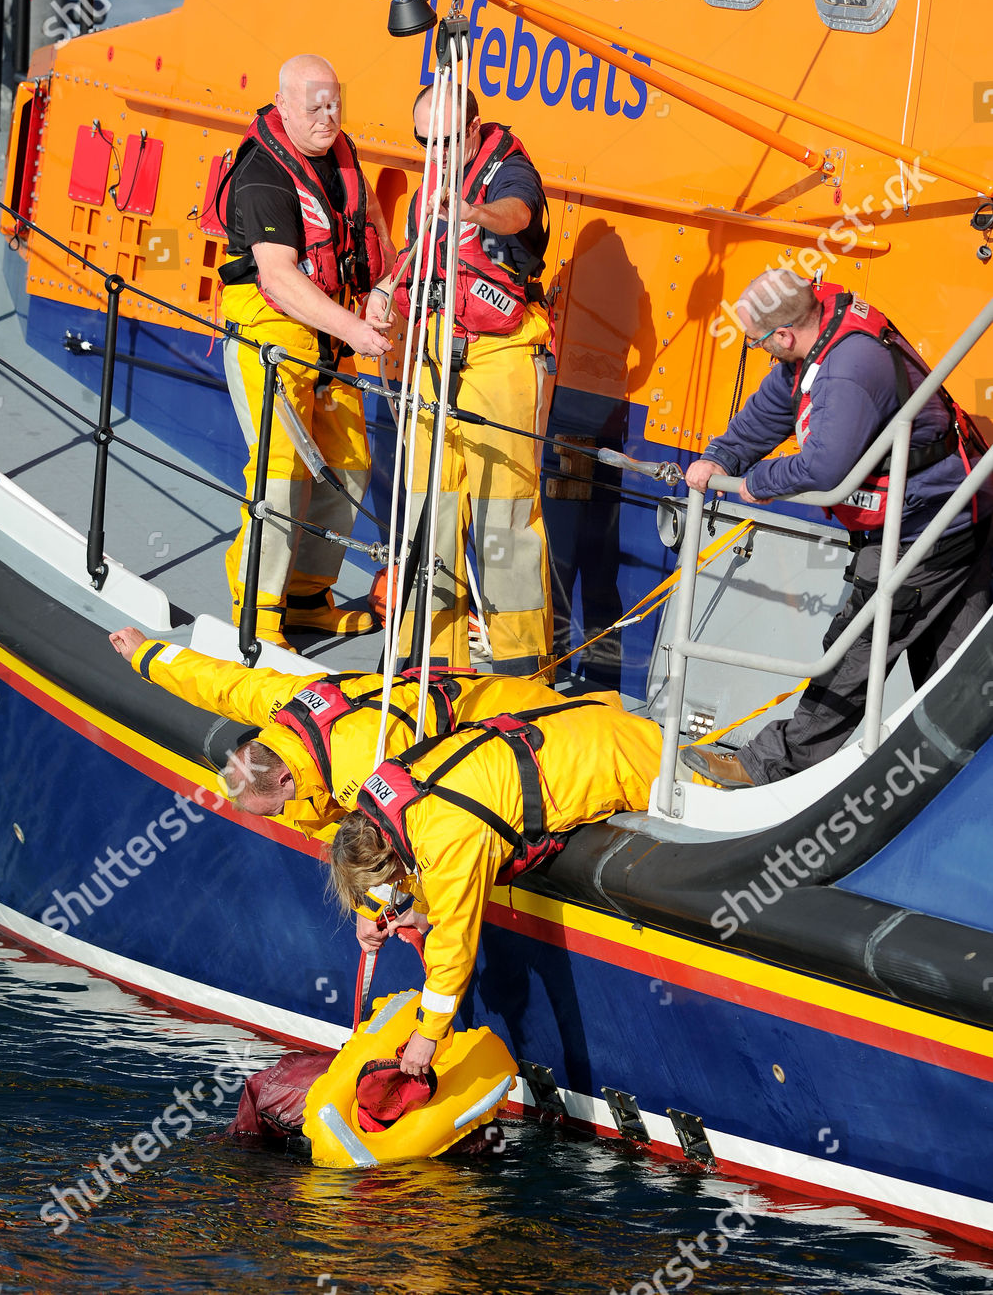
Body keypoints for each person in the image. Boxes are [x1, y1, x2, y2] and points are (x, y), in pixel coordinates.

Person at [681, 269, 992, 789]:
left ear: (783, 336)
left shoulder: (847, 368)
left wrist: (756, 481)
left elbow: (826, 466)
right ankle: (963, 781)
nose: (763, 354)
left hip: (928, 524)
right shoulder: (816, 330)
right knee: (952, 665)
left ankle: (769, 767)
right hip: (949, 515)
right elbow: (773, 407)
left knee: (854, 648)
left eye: (759, 345)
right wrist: (722, 457)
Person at [328, 698, 665, 1077]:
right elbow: (426, 852)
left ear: (387, 861)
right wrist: (421, 907)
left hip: (624, 761)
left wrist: (428, 1036)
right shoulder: (388, 796)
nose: (395, 886)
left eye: (389, 882)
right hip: (580, 726)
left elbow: (455, 942)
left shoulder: (446, 839)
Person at [365, 85, 553, 678]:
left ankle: (524, 672)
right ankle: (428, 661)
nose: (434, 152)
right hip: (433, 356)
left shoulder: (510, 172)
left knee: (504, 520)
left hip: (499, 359)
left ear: (473, 130)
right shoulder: (428, 190)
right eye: (424, 141)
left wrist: (470, 211)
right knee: (431, 513)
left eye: (445, 141)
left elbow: (517, 215)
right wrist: (382, 293)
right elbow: (418, 256)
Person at [107, 625, 605, 836]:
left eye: (279, 806)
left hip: (518, 717)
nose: (286, 813)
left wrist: (375, 913)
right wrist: (145, 655)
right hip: (469, 697)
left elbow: (401, 837)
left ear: (283, 779)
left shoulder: (361, 771)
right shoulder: (286, 709)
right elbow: (221, 683)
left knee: (600, 742)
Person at [219, 53, 395, 648]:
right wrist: (355, 331)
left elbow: (368, 219)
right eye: (315, 104)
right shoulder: (265, 173)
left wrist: (380, 287)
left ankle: (307, 597)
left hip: (332, 327)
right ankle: (259, 614)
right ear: (284, 104)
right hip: (275, 329)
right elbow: (280, 279)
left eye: (335, 102)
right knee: (279, 471)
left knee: (347, 465)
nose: (328, 115)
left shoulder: (341, 155)